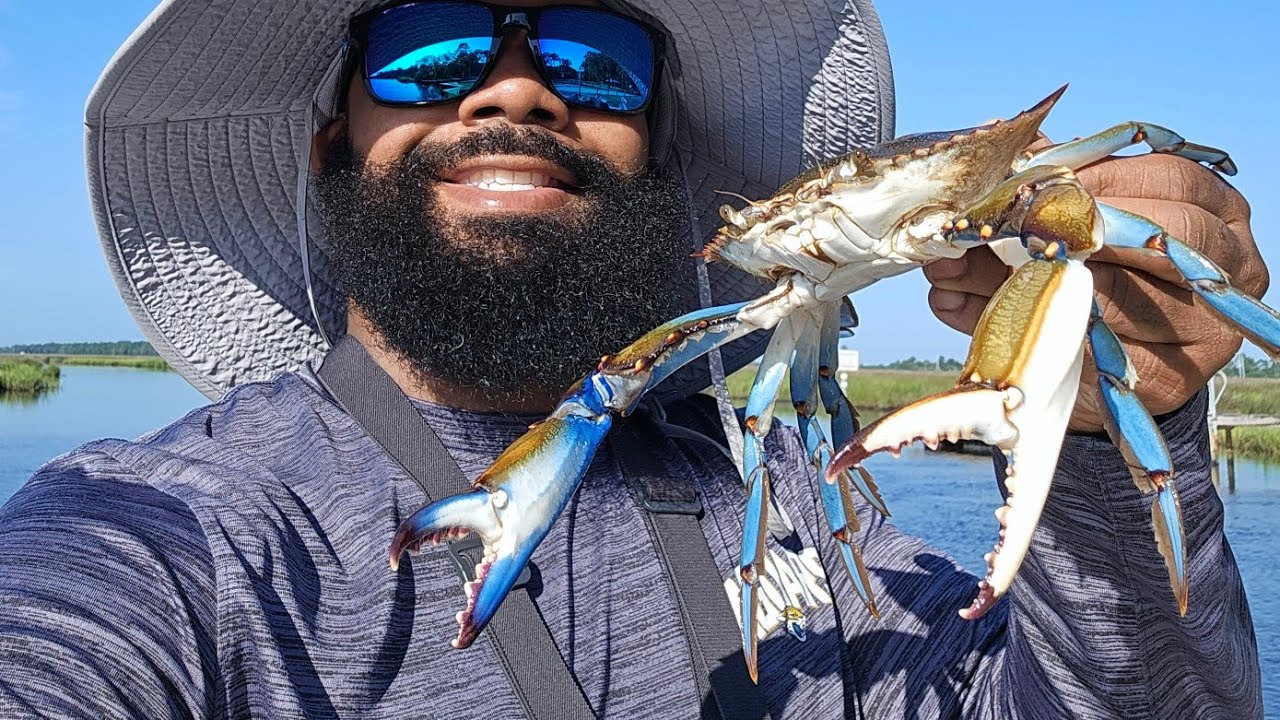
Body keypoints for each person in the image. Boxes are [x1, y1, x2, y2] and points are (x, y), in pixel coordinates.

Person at [0, 0, 1265, 717]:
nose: (512, 96)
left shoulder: (821, 517)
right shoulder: (169, 534)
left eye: (592, 63)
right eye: (428, 52)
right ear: (330, 152)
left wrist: (1106, 437)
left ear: (662, 178)